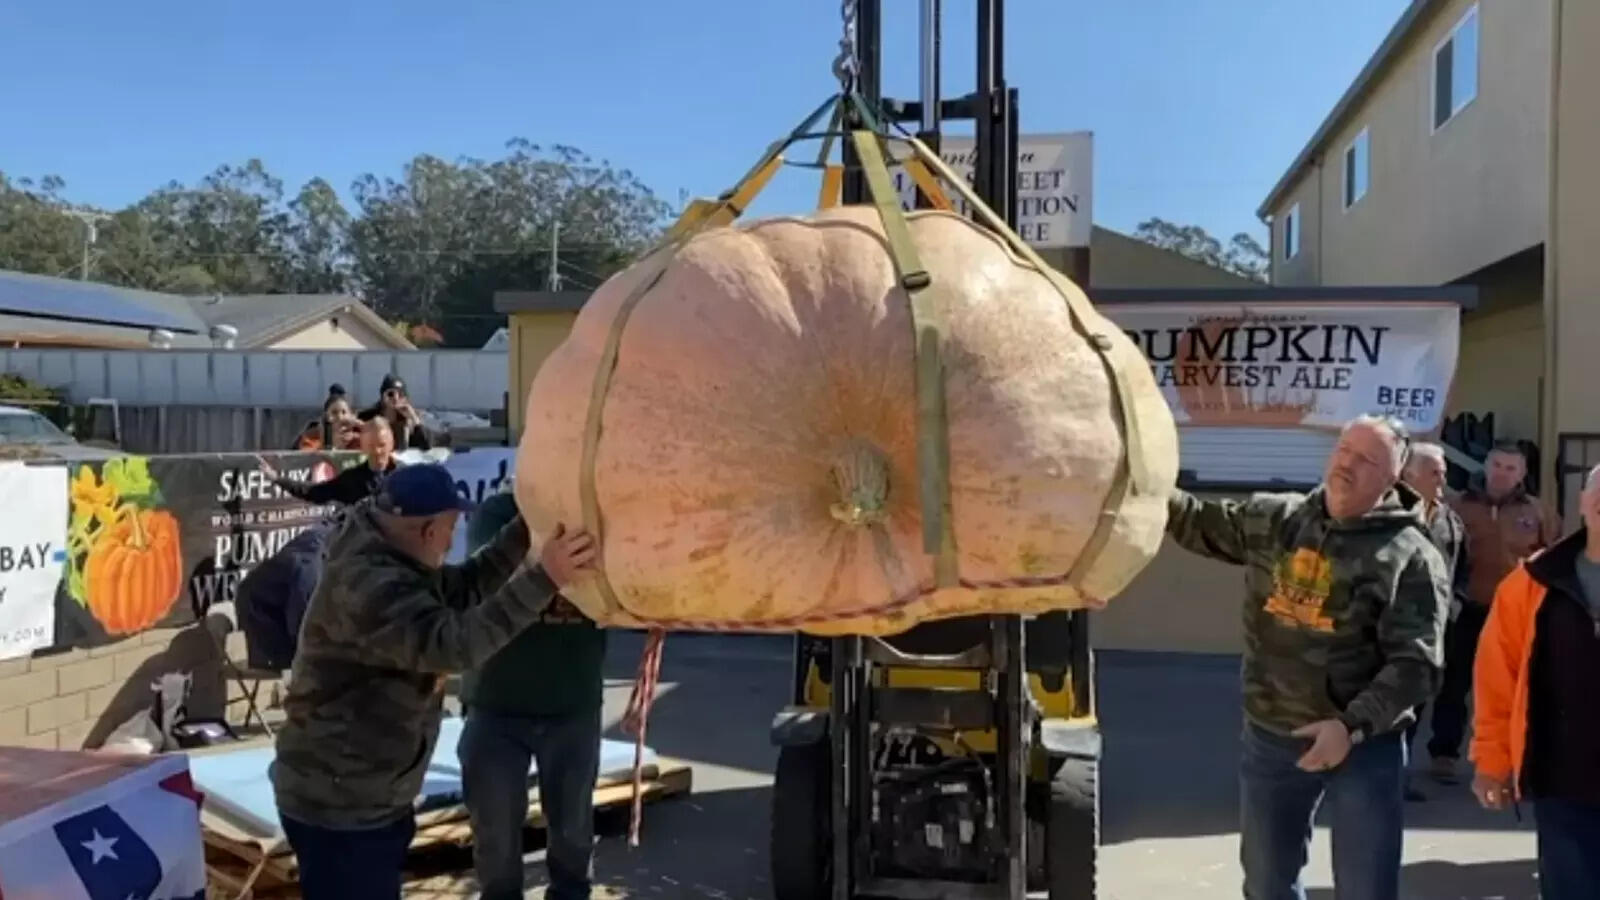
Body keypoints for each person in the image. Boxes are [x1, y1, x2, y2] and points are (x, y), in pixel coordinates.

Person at [269, 464, 596, 900]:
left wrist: (530, 525)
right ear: (426, 531)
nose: (451, 539)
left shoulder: (389, 555)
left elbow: (461, 589)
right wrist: (544, 578)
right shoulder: (370, 586)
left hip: (362, 795)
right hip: (340, 805)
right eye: (449, 529)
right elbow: (454, 646)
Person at [1163, 414, 1450, 900]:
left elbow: (1416, 665)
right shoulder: (1275, 519)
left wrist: (1351, 726)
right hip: (1273, 737)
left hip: (1364, 748)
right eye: (1344, 449)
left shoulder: (1409, 555)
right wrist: (1134, 477)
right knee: (1267, 883)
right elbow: (1192, 519)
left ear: (1390, 478)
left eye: (1366, 459)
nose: (1347, 464)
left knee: (1366, 889)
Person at [459, 487, 608, 900]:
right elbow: (487, 577)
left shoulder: (603, 515)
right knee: (495, 834)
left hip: (573, 702)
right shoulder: (499, 512)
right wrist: (555, 570)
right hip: (497, 704)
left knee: (573, 833)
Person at [1471, 463, 1600, 899]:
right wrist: (1492, 762)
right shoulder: (1531, 583)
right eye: (1597, 489)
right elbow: (1497, 679)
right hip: (1561, 781)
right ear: (1582, 502)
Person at [1431, 441, 1561, 784]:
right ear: (1486, 467)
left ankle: (1525, 754)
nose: (1502, 473)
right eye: (1498, 465)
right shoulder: (1457, 507)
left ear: (1522, 474)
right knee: (1454, 683)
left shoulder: (1538, 512)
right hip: (1468, 607)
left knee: (1522, 686)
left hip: (1517, 615)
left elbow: (1552, 560)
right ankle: (1444, 753)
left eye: (1511, 468)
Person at [1396, 442, 1470, 801]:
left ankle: (1411, 769)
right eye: (1434, 471)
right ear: (1409, 475)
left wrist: (1454, 606)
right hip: (1396, 635)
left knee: (1432, 700)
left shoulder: (1449, 520)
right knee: (1398, 707)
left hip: (1440, 631)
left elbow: (1462, 570)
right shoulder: (1387, 515)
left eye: (1443, 471)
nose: (1442, 478)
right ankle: (1392, 777)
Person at [235, 517, 337, 671]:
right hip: (272, 636)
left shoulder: (321, 541)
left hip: (266, 615)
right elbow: (302, 609)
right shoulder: (312, 559)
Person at [264, 417, 398, 507]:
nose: (377, 451)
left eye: (382, 445)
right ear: (363, 447)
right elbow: (314, 492)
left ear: (391, 444)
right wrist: (278, 479)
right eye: (371, 445)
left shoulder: (404, 476)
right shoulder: (351, 479)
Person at [361, 373, 431, 451]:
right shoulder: (368, 417)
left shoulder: (410, 421)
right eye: (390, 394)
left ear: (406, 398)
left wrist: (413, 418)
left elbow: (426, 447)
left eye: (400, 394)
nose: (396, 398)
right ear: (382, 397)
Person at [296, 392, 361, 452]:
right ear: (326, 416)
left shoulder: (357, 438)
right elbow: (307, 459)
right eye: (334, 412)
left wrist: (360, 425)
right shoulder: (311, 437)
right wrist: (329, 442)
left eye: (344, 412)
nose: (340, 417)